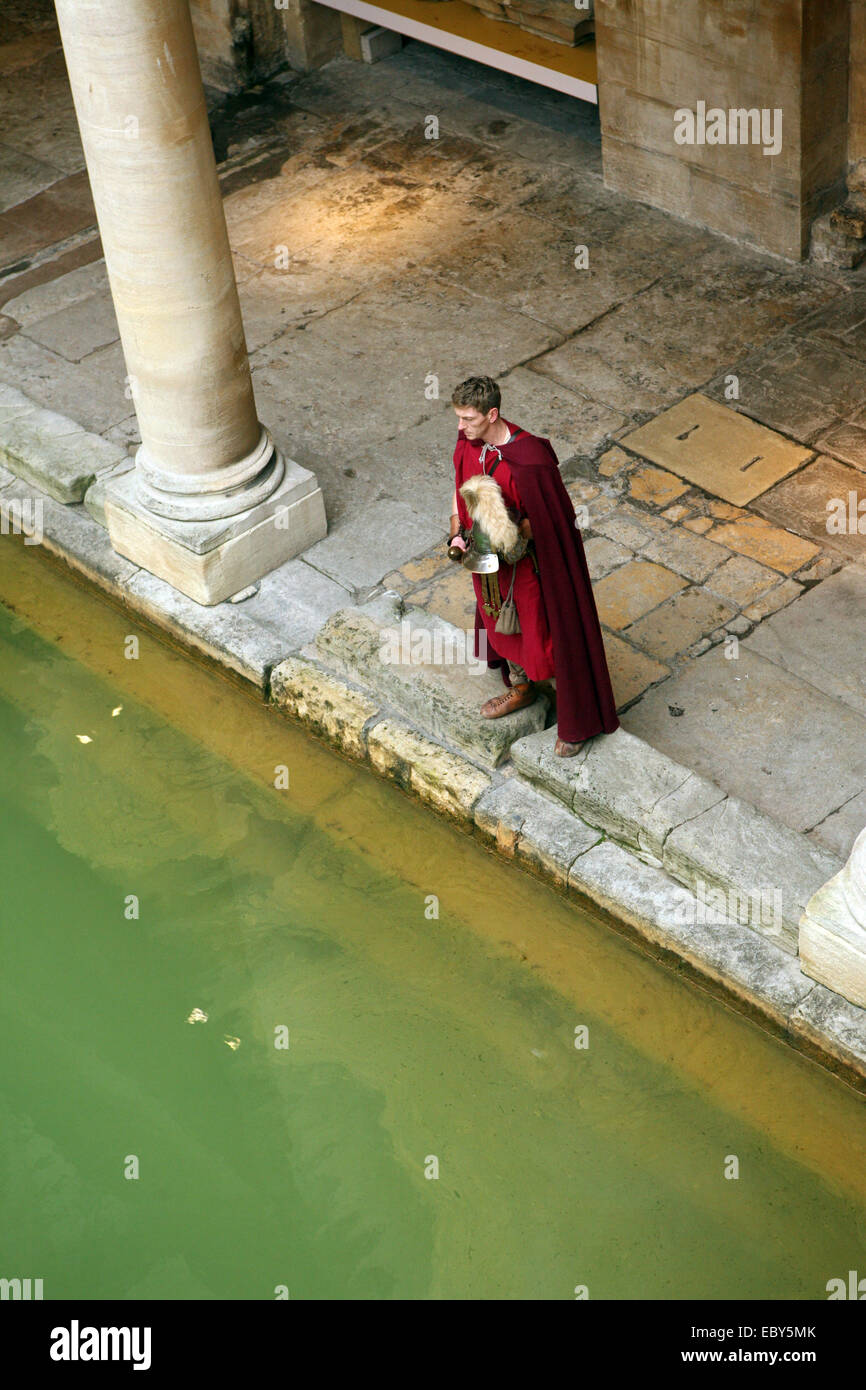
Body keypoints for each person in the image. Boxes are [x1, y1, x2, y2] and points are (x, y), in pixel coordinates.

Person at [449, 375, 619, 757]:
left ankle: (576, 718)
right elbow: (456, 488)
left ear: (492, 414)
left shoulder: (532, 460)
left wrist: (512, 536)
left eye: (469, 419)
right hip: (487, 564)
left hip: (530, 569)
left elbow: (550, 520)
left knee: (548, 636)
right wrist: (458, 532)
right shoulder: (468, 443)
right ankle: (522, 687)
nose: (461, 427)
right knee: (499, 625)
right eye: (458, 418)